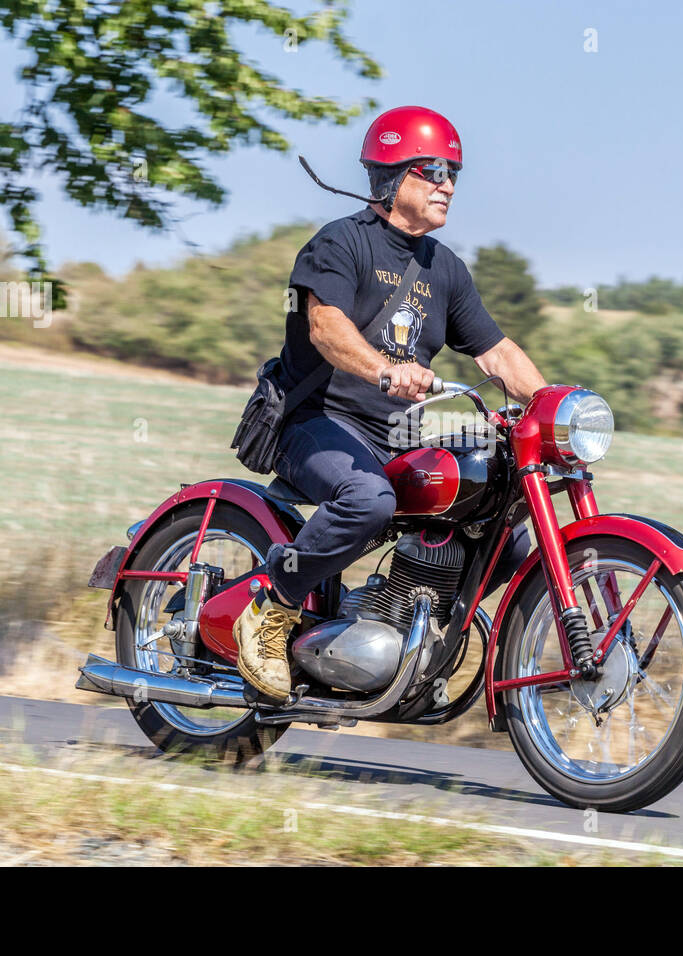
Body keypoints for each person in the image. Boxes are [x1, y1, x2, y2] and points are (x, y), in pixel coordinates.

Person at [234, 105, 548, 701]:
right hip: (314, 420)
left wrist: (558, 404)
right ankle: (268, 610)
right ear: (392, 174)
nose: (448, 183)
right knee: (367, 498)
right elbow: (326, 328)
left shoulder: (446, 269)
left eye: (454, 170)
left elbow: (497, 353)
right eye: (432, 169)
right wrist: (384, 371)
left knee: (499, 517)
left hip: (390, 437)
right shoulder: (340, 243)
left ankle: (409, 624)